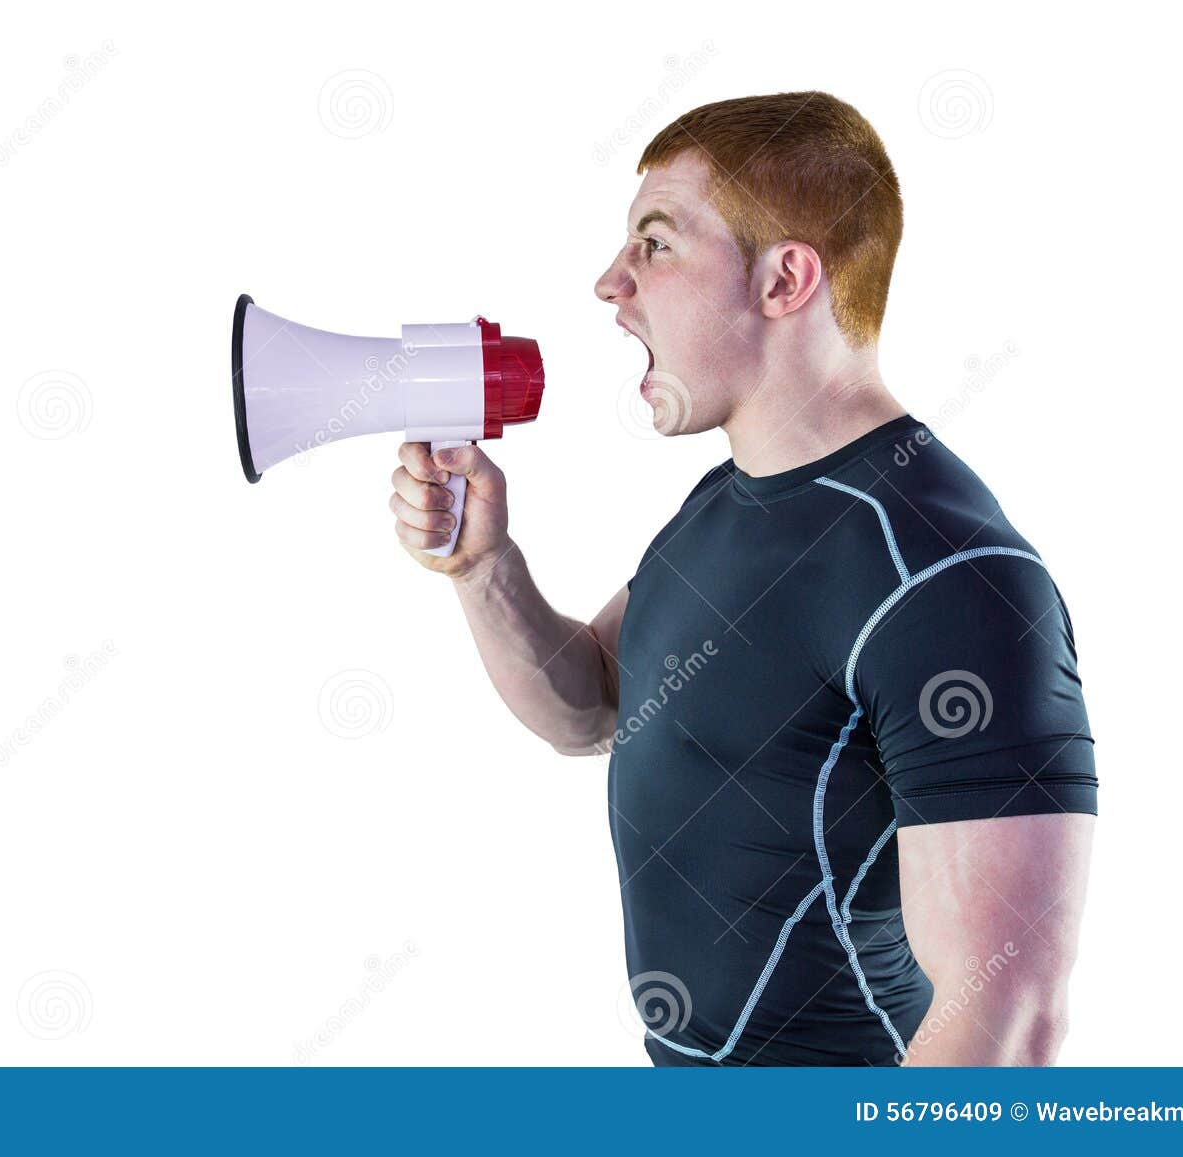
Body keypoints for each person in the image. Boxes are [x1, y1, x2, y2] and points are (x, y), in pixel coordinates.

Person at [387, 92, 1098, 1066]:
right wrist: (482, 566)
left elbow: (1008, 1021)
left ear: (784, 278)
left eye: (657, 243)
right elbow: (592, 709)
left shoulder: (947, 576)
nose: (610, 283)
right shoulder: (725, 504)